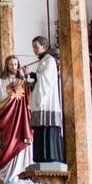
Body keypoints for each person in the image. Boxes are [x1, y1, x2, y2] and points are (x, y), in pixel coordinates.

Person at [0, 57, 34, 184]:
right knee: (8, 144)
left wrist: (27, 77)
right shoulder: (0, 82)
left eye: (16, 64)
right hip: (7, 120)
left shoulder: (23, 82)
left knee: (21, 144)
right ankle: (9, 176)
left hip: (22, 121)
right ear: (6, 66)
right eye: (11, 64)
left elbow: (31, 99)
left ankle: (20, 174)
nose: (14, 66)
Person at [27, 36, 65, 164]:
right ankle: (41, 156)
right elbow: (39, 82)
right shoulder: (43, 61)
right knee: (40, 130)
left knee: (47, 128)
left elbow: (46, 79)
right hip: (42, 103)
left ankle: (50, 156)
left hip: (48, 103)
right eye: (33, 47)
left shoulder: (49, 60)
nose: (34, 50)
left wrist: (31, 74)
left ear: (44, 46)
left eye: (36, 47)